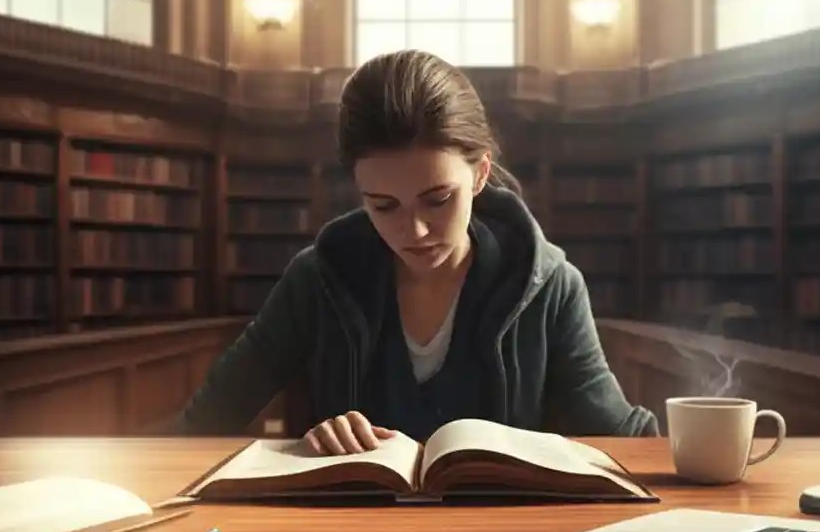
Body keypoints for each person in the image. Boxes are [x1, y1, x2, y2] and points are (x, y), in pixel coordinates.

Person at [174, 49, 658, 453]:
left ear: (481, 175)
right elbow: (206, 419)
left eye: (439, 199)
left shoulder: (549, 284)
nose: (416, 230)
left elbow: (617, 437)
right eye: (384, 206)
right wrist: (305, 447)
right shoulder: (317, 278)